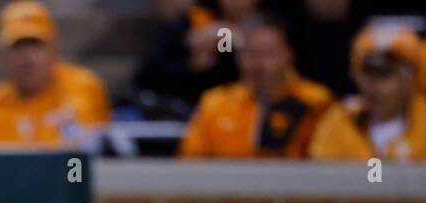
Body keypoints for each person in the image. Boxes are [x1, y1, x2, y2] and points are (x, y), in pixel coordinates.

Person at [0, 1, 110, 151]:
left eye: (36, 45)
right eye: (18, 46)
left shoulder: (81, 86)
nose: (27, 58)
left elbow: (79, 143)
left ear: (55, 50)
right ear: (2, 55)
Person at [178, 13, 333, 158]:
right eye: (251, 53)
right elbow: (191, 163)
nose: (259, 64)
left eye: (269, 53)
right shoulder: (215, 104)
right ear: (239, 57)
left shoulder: (316, 102)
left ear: (289, 54)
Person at [309, 26, 426, 162]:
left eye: (384, 74)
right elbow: (322, 173)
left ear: (409, 81)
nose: (374, 86)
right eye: (368, 73)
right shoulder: (340, 121)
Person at [133, 0, 258, 117]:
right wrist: (192, 64)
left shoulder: (265, 25)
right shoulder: (192, 23)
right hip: (188, 108)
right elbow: (149, 75)